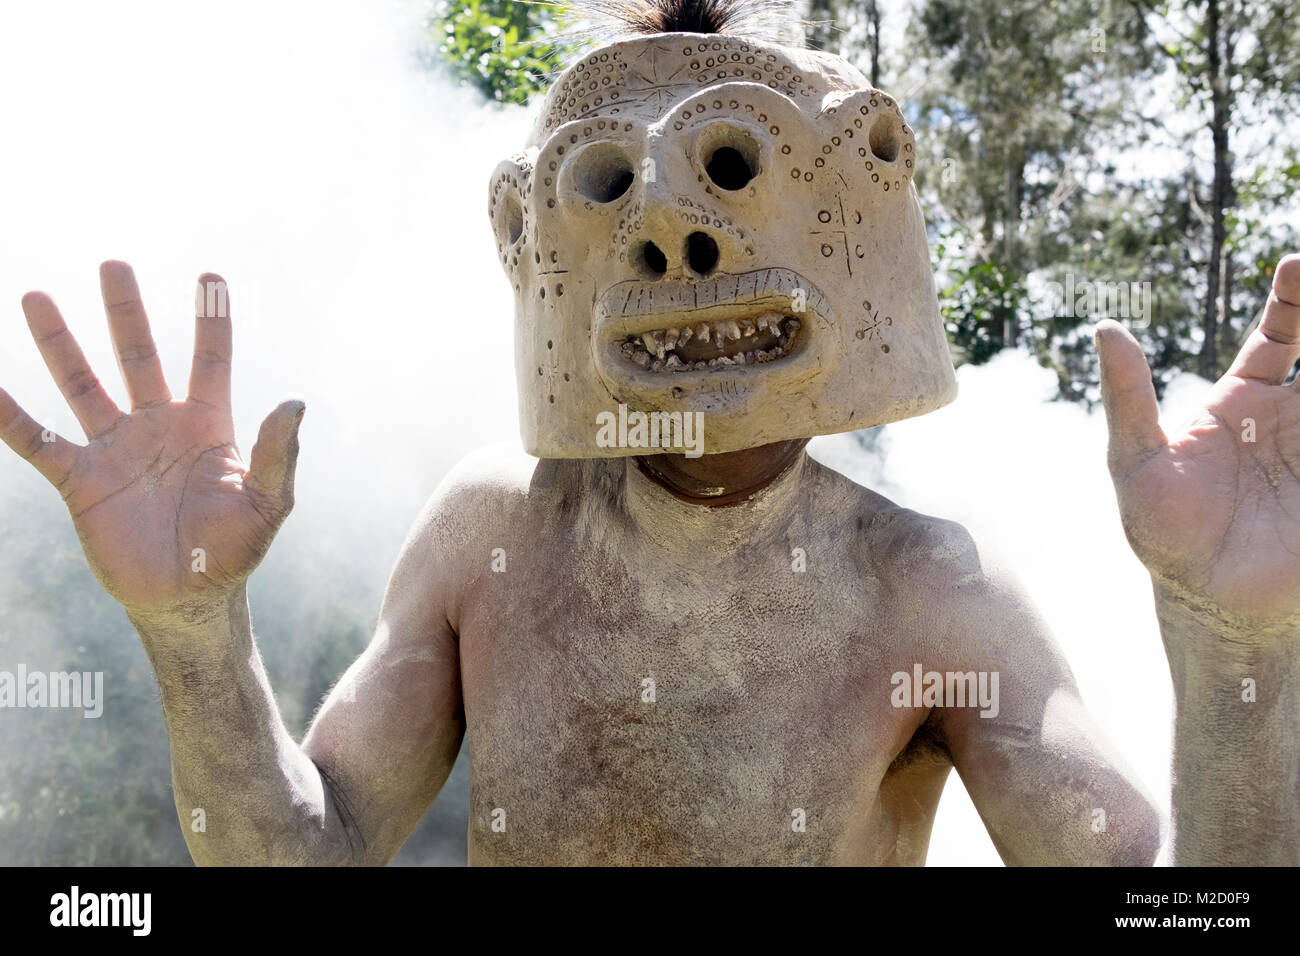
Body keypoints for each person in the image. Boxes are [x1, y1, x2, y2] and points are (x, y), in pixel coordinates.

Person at [1, 0, 1296, 864]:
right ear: (529, 237)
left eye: (734, 171)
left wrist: (1235, 644)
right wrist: (190, 629)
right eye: (610, 188)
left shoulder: (930, 595)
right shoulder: (487, 531)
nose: (678, 242)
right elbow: (307, 851)